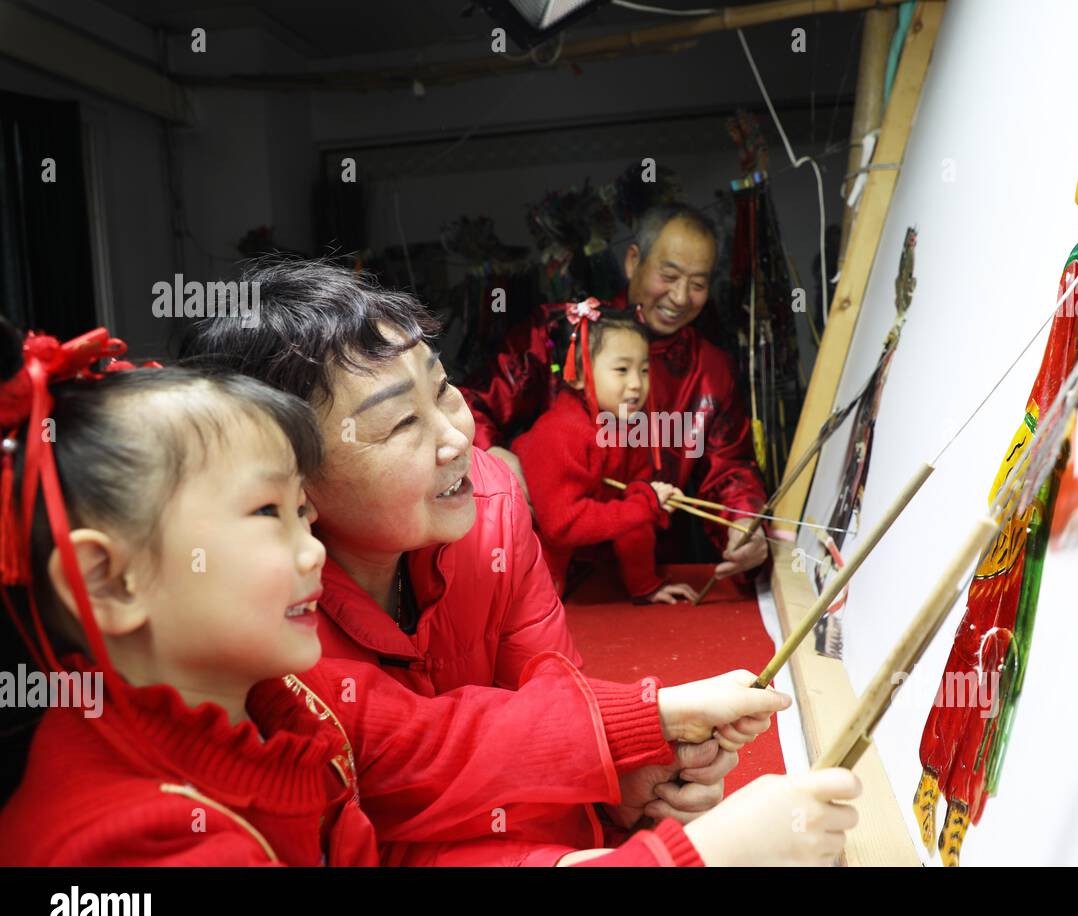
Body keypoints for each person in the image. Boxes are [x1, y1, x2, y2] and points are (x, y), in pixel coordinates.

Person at [0, 322, 862, 866]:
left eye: (443, 389)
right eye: (270, 512)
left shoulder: (282, 705)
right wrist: (688, 857)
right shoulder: (131, 842)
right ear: (112, 578)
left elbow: (452, 742)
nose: (308, 551)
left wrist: (639, 747)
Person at [180, 259, 735, 856]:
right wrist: (641, 736)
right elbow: (383, 796)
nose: (457, 437)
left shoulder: (491, 505)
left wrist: (612, 789)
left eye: (443, 388)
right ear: (288, 479)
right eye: (400, 423)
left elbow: (546, 703)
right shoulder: (264, 616)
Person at [464, 203, 770, 580]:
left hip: (647, 568)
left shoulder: (711, 369)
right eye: (669, 275)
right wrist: (492, 455)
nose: (679, 297)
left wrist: (744, 523)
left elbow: (730, 470)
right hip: (545, 564)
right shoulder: (565, 333)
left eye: (698, 284)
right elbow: (467, 402)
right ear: (632, 262)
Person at [514, 305, 697, 604]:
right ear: (578, 374)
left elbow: (634, 514)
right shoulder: (560, 432)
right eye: (622, 370)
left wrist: (645, 585)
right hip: (522, 573)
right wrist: (644, 504)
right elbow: (563, 525)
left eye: (644, 369)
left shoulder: (628, 429)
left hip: (572, 577)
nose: (637, 383)